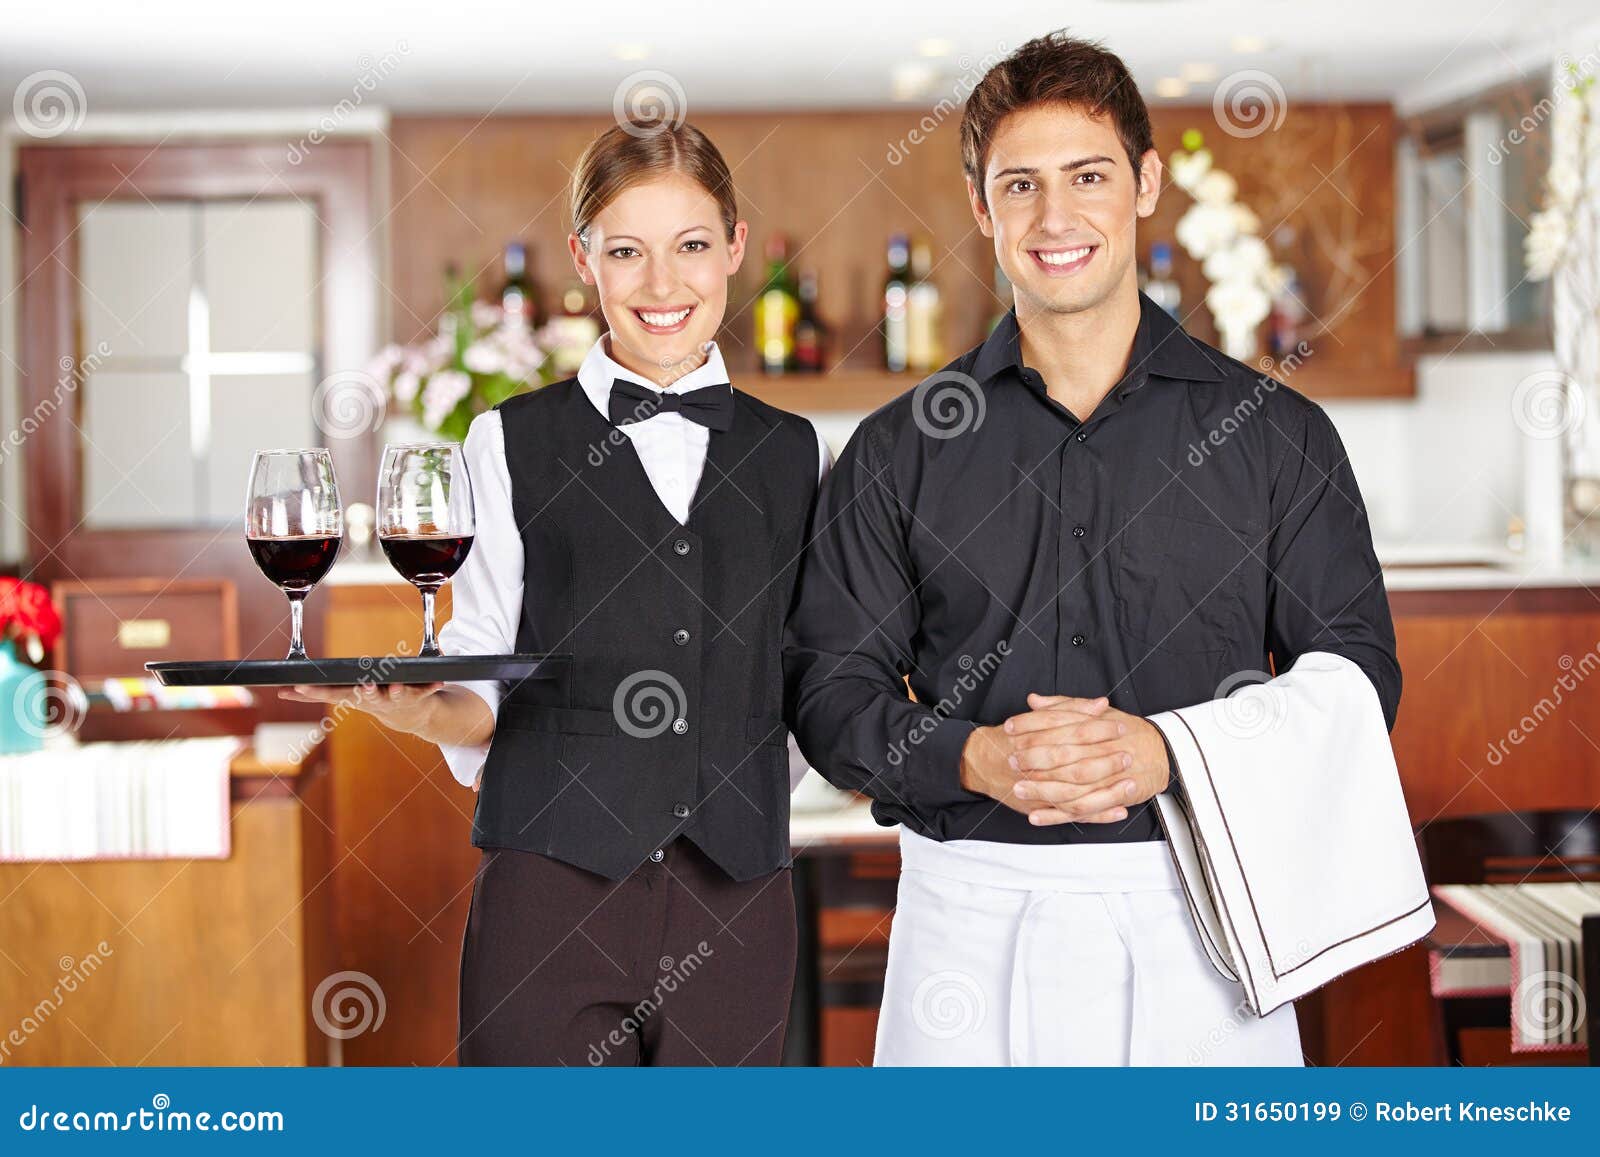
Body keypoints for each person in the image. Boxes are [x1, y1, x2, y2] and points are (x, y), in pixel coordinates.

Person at [782, 30, 1399, 1066]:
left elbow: (1358, 679)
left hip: (1205, 914)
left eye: (1088, 176)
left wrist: (1165, 751)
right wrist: (976, 756)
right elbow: (827, 692)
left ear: (1145, 183)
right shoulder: (895, 450)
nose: (1055, 217)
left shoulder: (1278, 437)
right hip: (964, 924)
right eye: (1019, 184)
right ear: (981, 207)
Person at [289, 118, 831, 1065]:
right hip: (551, 896)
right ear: (583, 258)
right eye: (626, 251)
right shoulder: (507, 440)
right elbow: (481, 671)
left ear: (735, 248)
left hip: (738, 901)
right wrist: (421, 712)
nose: (661, 284)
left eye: (690, 246)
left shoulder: (797, 452)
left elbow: (804, 675)